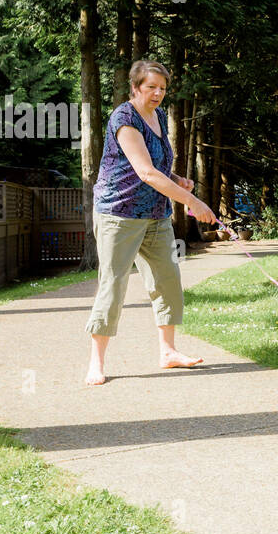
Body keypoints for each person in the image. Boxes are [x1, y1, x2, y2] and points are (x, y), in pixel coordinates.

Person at [83, 60, 218, 385]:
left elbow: (152, 167)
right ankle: (96, 362)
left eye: (163, 88)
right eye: (151, 87)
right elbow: (143, 172)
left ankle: (168, 352)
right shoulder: (124, 118)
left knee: (167, 279)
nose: (158, 94)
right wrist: (193, 201)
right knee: (113, 285)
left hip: (155, 215)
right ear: (135, 87)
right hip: (119, 214)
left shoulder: (156, 116)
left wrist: (176, 179)